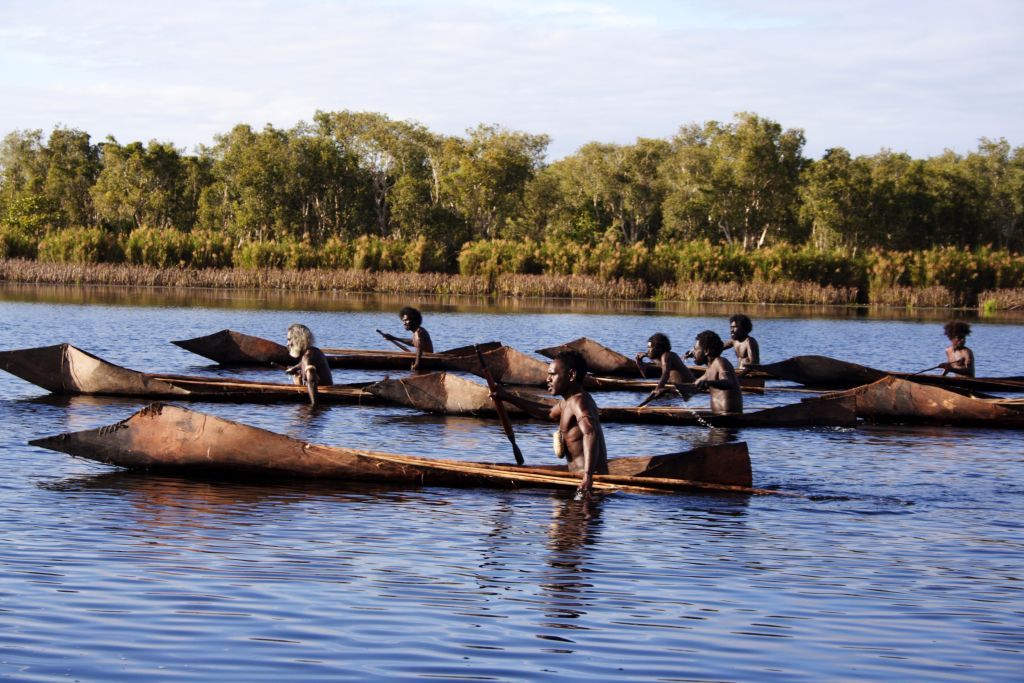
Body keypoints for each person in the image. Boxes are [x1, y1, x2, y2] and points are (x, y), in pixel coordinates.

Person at [492, 350, 608, 493]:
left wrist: (588, 476)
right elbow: (547, 413)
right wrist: (507, 397)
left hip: (590, 484)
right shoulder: (567, 402)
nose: (548, 379)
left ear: (571, 375)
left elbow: (590, 432)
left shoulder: (579, 401)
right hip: (580, 479)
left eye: (553, 374)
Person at [685, 330, 742, 414]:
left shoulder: (720, 361)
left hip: (728, 420)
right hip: (718, 418)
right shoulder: (709, 370)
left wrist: (709, 383)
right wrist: (668, 390)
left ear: (706, 351)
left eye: (696, 349)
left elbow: (729, 382)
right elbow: (692, 387)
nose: (693, 352)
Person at [635, 332, 695, 404]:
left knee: (656, 403)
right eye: (648, 348)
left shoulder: (667, 355)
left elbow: (665, 374)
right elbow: (646, 376)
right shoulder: (660, 358)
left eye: (650, 348)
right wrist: (639, 363)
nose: (648, 350)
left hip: (689, 389)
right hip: (679, 389)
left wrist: (657, 390)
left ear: (659, 348)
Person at [284, 323, 333, 406]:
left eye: (289, 340)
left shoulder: (308, 356)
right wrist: (294, 368)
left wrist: (313, 405)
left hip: (322, 394)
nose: (287, 344)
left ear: (298, 339)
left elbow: (312, 381)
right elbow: (303, 363)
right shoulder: (313, 351)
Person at [381, 306, 434, 371]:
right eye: (403, 321)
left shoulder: (418, 332)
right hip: (425, 359)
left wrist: (416, 364)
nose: (404, 323)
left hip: (426, 361)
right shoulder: (418, 331)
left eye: (406, 320)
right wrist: (394, 338)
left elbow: (419, 348)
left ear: (414, 319)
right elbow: (413, 343)